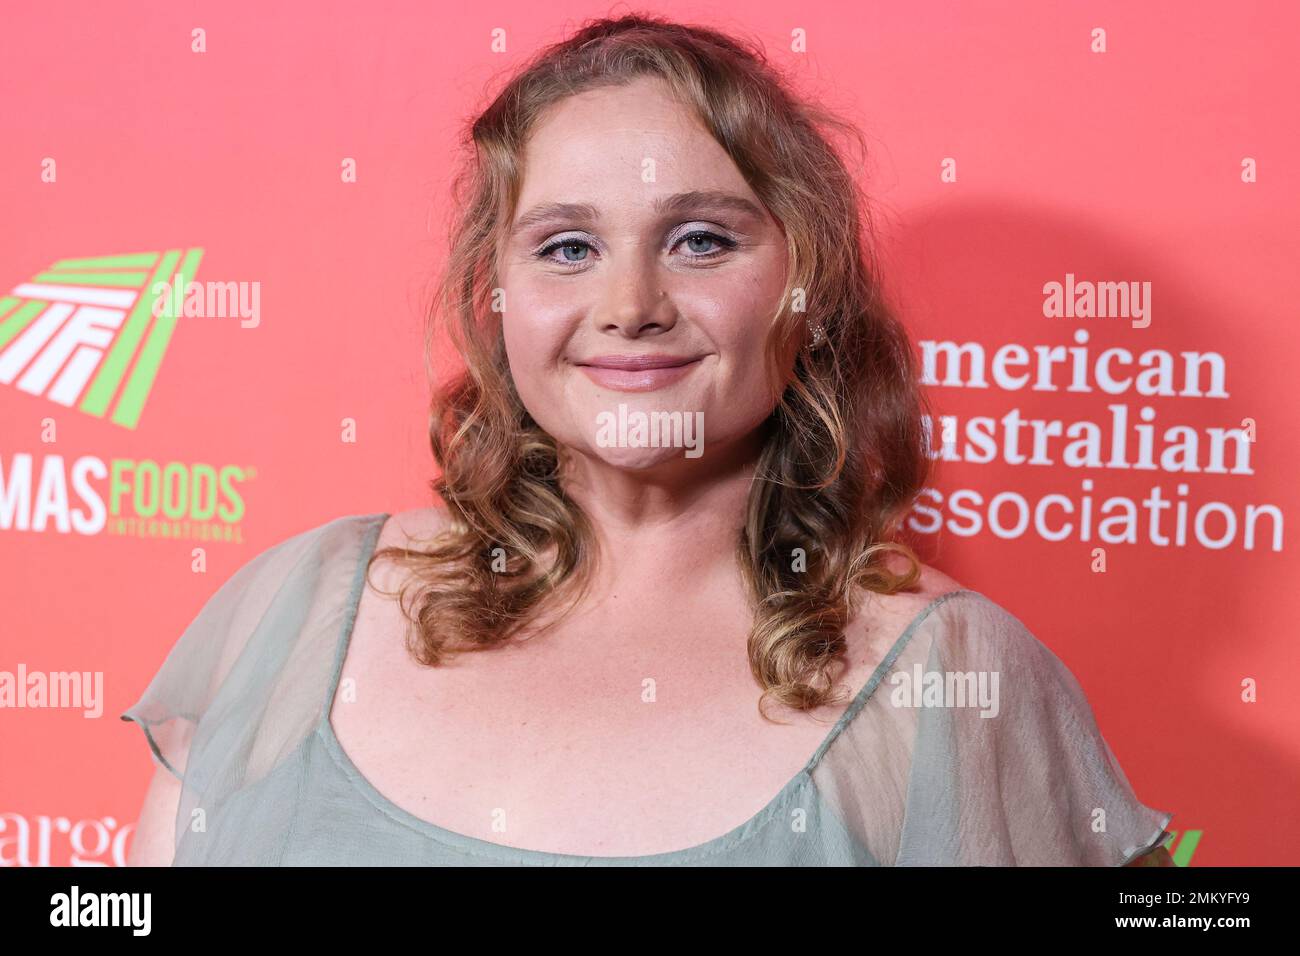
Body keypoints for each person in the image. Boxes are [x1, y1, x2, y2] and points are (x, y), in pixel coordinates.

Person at [122, 13, 1174, 866]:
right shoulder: (298, 609)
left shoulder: (952, 675)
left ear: (805, 293)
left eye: (700, 239)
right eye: (567, 245)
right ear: (498, 297)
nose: (629, 304)